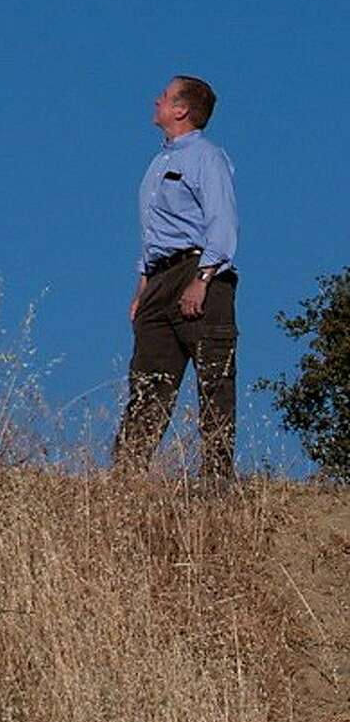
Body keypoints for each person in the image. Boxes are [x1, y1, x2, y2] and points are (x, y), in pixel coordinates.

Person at [114, 73, 238, 484]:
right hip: (159, 278)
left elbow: (222, 223)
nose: (156, 101)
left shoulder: (207, 157)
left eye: (165, 97)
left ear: (181, 110)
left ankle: (216, 479)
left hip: (198, 269)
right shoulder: (160, 162)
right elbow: (154, 234)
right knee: (148, 382)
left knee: (214, 377)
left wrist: (203, 279)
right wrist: (143, 287)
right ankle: (127, 476)